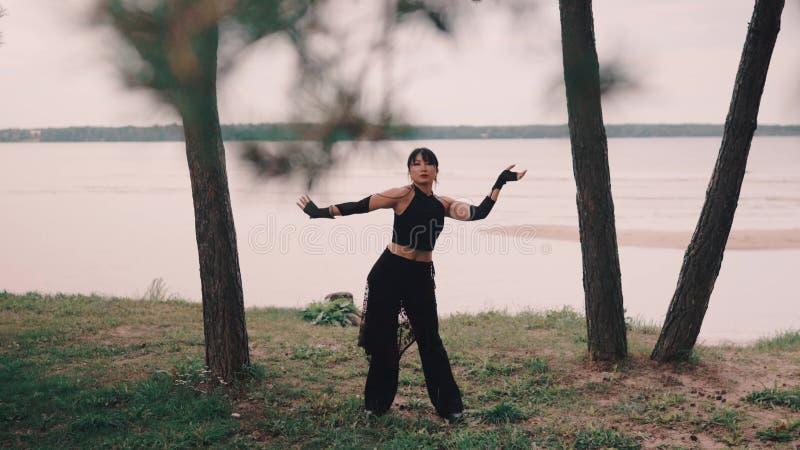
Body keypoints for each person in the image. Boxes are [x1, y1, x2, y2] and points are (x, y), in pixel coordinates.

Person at [296, 147, 526, 423]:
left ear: (437, 170)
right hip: (389, 272)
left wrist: (501, 181)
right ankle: (376, 405)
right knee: (385, 340)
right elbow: (361, 205)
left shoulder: (443, 204)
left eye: (428, 163)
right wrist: (319, 212)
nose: (423, 168)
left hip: (420, 275)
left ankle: (449, 407)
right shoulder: (401, 195)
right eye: (416, 164)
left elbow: (479, 213)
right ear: (410, 171)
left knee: (431, 341)